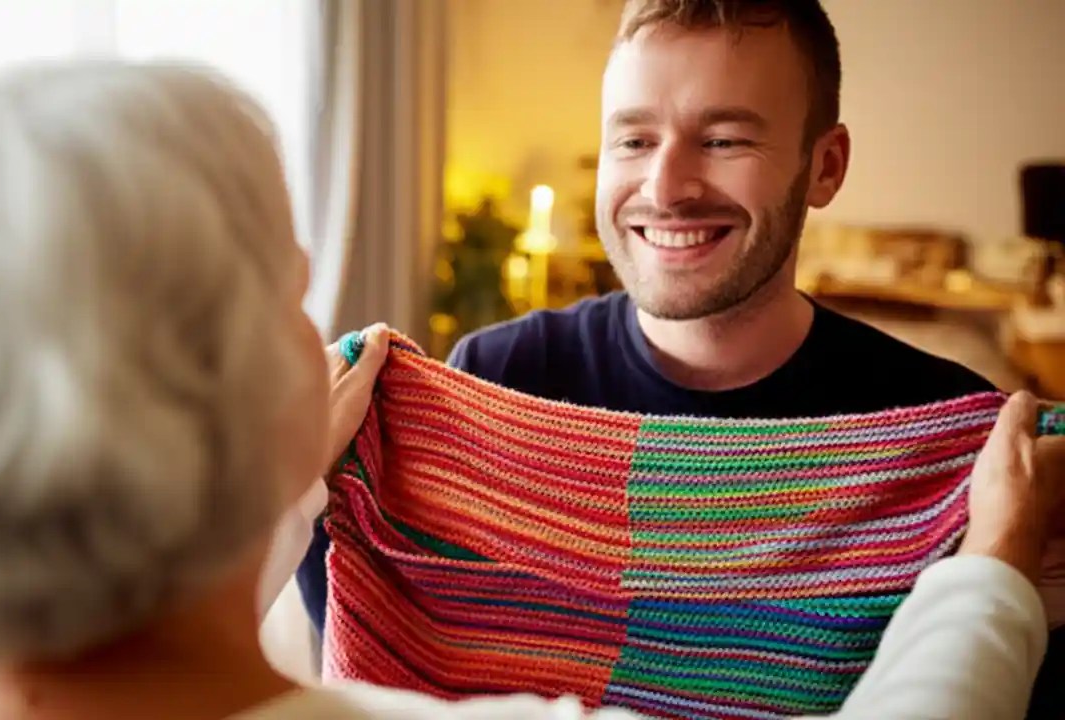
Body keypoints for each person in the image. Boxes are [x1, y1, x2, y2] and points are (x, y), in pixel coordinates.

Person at [0, 60, 1059, 720]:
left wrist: (288, 473)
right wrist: (993, 570)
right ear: (222, 404)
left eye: (723, 136)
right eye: (290, 297)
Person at [295, 0, 1065, 713]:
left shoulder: (955, 450)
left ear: (825, 167)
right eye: (633, 140)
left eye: (724, 140)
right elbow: (387, 672)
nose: (666, 187)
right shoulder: (499, 380)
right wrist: (306, 492)